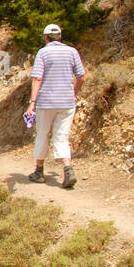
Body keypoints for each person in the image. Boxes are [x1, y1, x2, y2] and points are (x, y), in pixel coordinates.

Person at [27, 23, 85, 188]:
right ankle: (68, 170)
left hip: (46, 102)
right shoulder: (72, 52)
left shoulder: (43, 53)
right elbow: (81, 77)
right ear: (60, 36)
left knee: (42, 134)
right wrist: (73, 93)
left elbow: (37, 78)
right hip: (67, 102)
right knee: (62, 137)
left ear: (46, 37)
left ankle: (39, 172)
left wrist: (32, 102)